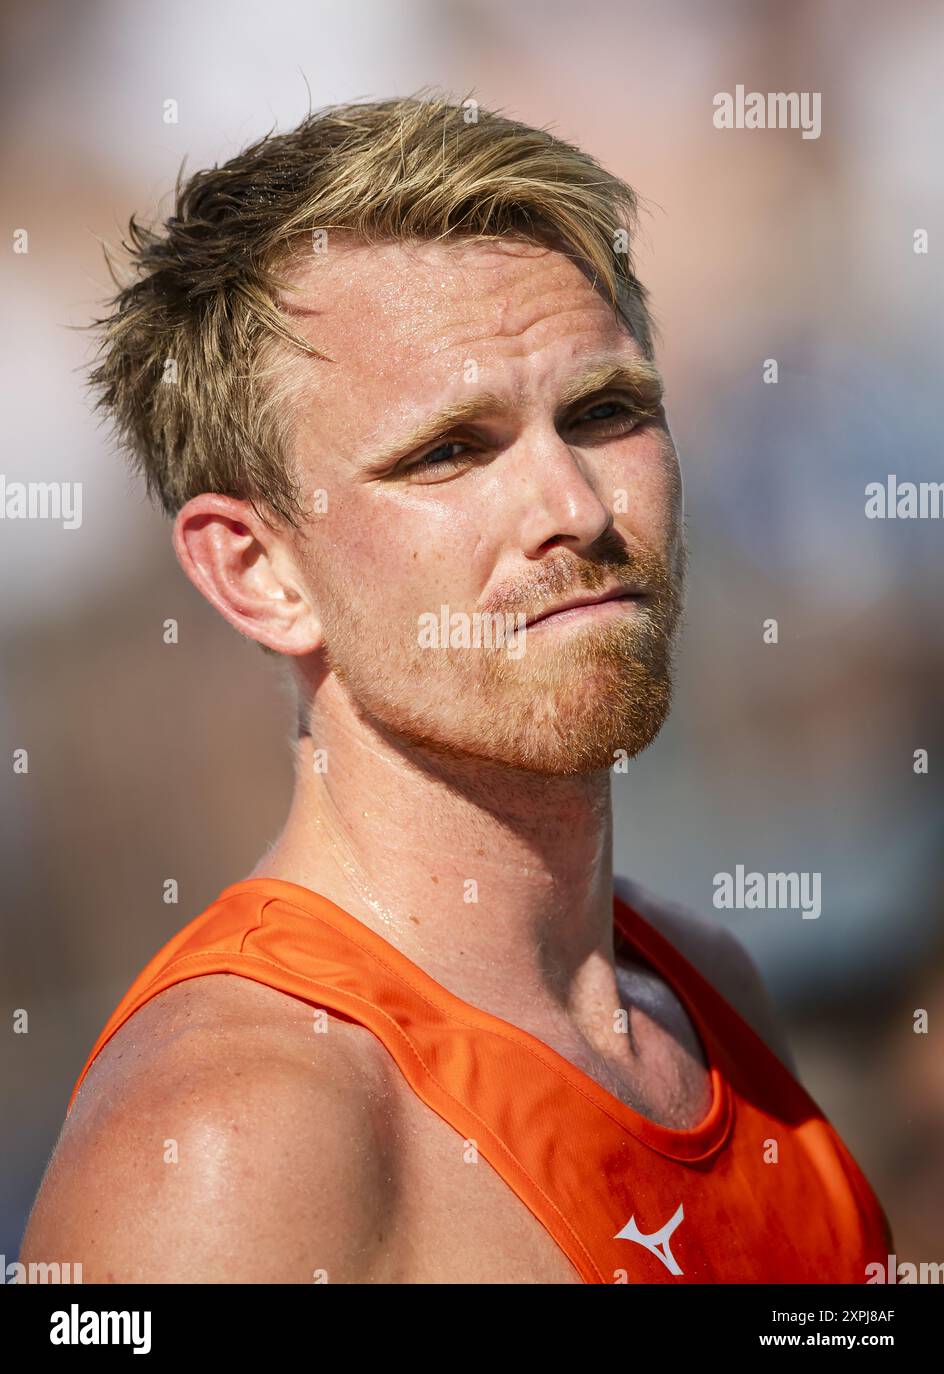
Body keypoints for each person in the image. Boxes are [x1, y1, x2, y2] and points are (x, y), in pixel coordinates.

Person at [19, 93, 892, 1284]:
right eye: (448, 450)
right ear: (257, 570)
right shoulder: (233, 1138)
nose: (576, 510)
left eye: (605, 412)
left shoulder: (705, 990)